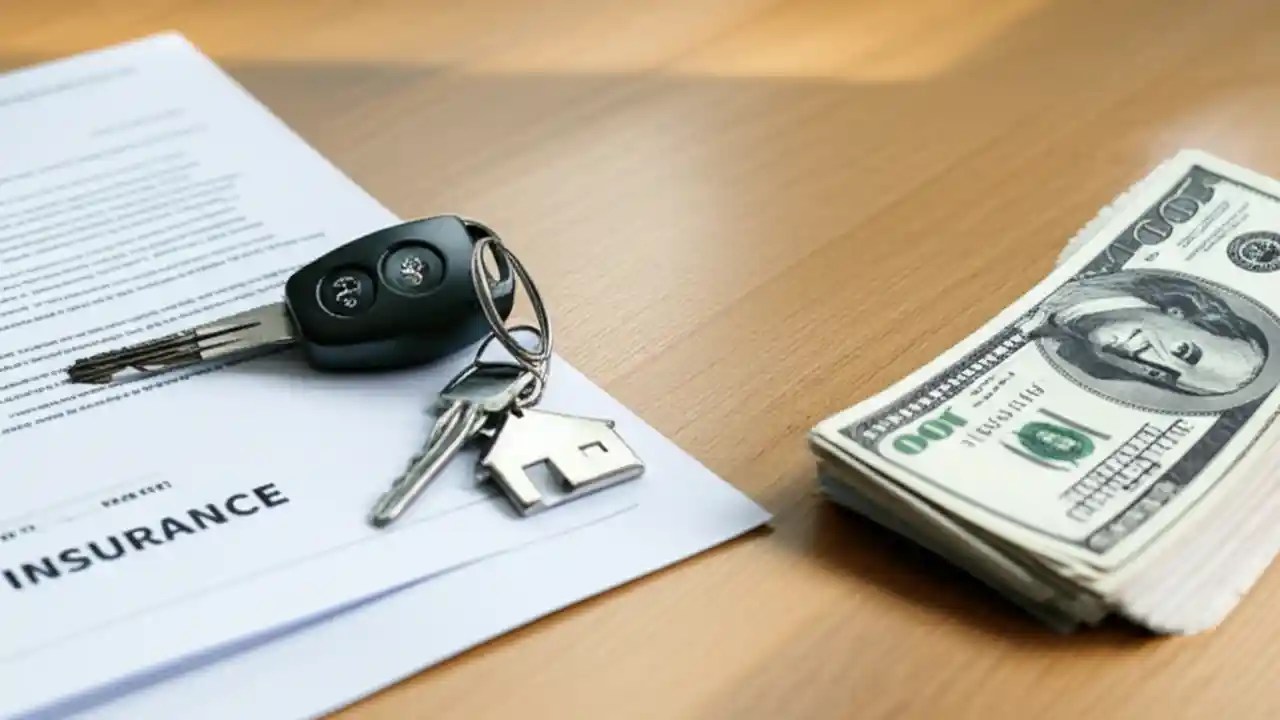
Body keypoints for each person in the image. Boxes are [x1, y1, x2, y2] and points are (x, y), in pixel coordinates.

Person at [1021, 271, 1267, 397]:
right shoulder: (1105, 280)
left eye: (1163, 376)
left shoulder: (1057, 344)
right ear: (1180, 314)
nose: (1147, 359)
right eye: (1184, 351)